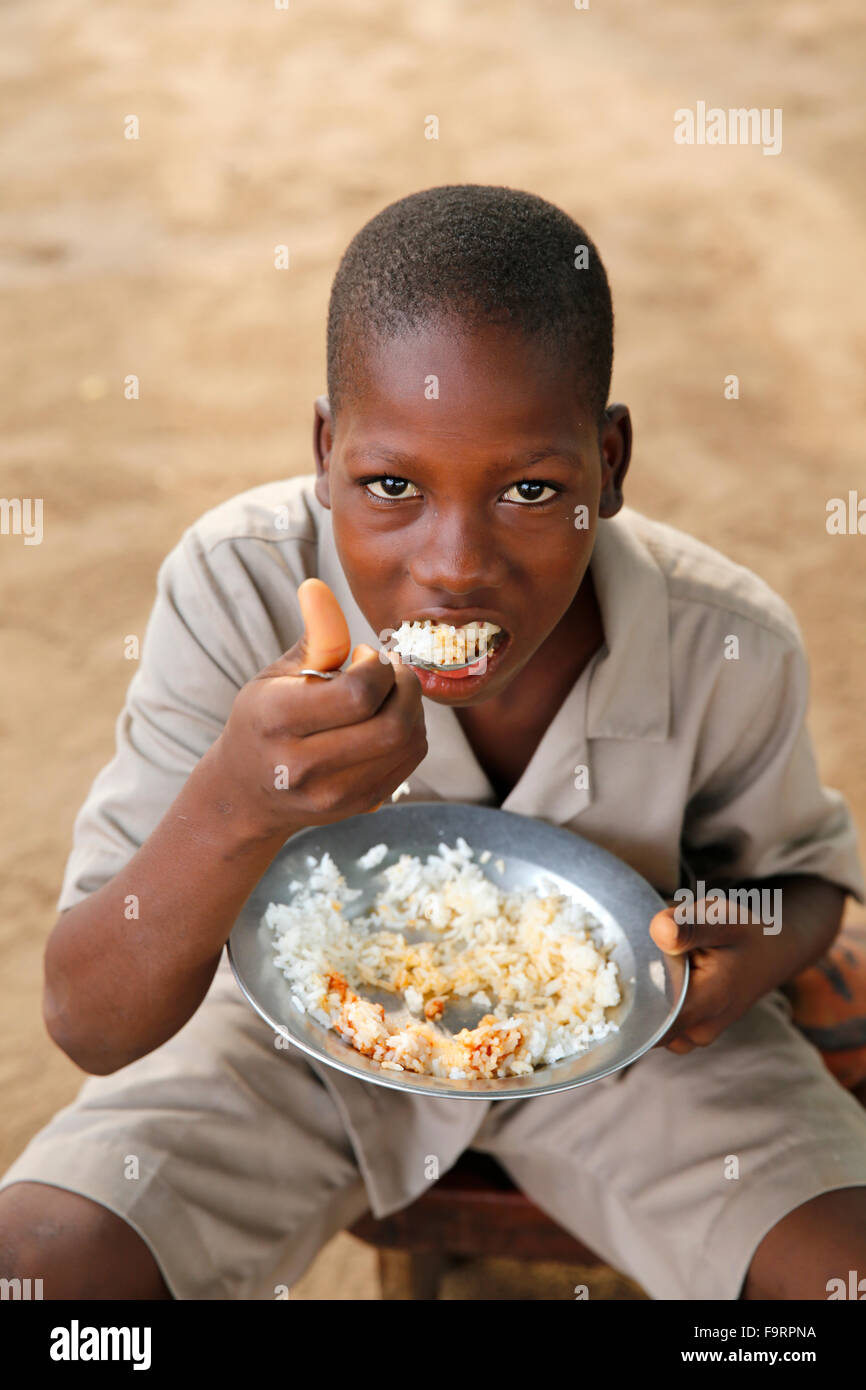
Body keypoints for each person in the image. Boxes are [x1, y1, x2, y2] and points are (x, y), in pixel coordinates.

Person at [3, 185, 866, 1301]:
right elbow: (90, 1017)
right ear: (324, 452)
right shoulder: (237, 584)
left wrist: (745, 947)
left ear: (608, 464)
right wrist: (233, 802)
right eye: (391, 486)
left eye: (528, 488)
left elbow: (799, 889)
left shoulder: (722, 641)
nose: (454, 562)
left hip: (631, 1052)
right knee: (37, 1278)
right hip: (287, 1036)